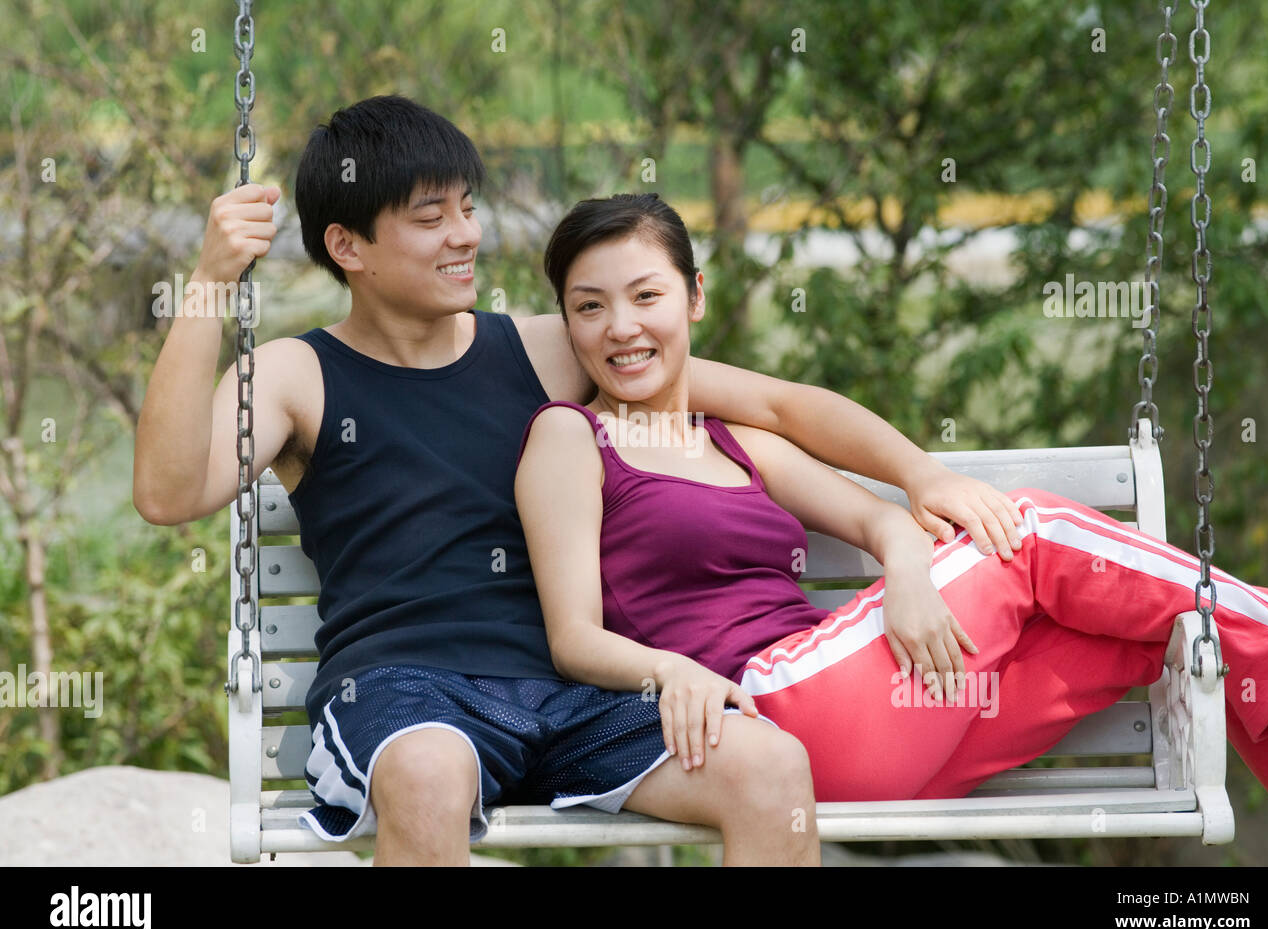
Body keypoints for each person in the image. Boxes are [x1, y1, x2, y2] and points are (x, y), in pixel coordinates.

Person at [133, 95, 1022, 865]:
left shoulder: (543, 348)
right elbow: (170, 494)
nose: (466, 235)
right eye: (430, 216)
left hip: (576, 689)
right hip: (405, 691)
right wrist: (211, 282)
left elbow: (781, 409)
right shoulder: (299, 374)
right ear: (347, 245)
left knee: (770, 770)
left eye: (468, 207)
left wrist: (918, 476)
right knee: (432, 772)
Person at [513, 192, 1268, 823]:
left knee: (1179, 640)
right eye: (588, 308)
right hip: (775, 709)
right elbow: (573, 636)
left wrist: (909, 571)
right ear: (566, 324)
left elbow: (879, 518)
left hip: (888, 732)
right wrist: (668, 670)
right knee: (1022, 526)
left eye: (645, 295)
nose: (620, 327)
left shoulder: (738, 441)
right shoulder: (574, 438)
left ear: (694, 299)